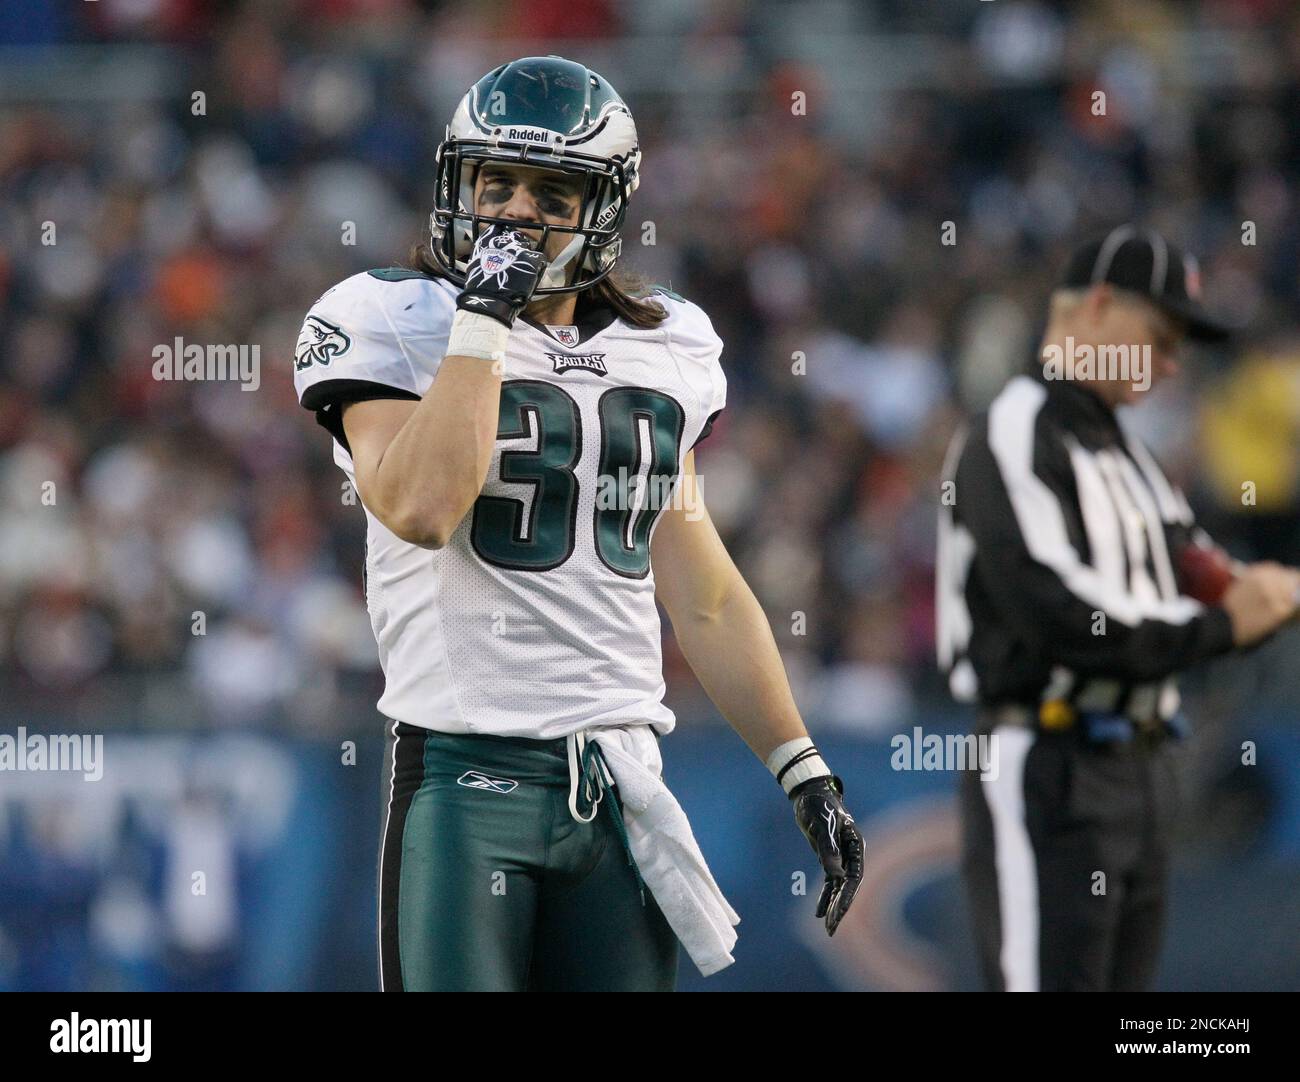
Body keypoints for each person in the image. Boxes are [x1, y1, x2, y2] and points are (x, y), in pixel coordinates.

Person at [292, 55, 864, 992]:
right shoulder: (394, 317)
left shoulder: (665, 343)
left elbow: (705, 592)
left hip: (619, 783)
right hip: (462, 777)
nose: (515, 211)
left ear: (602, 209)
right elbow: (422, 509)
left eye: (550, 191)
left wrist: (801, 767)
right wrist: (486, 319)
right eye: (497, 182)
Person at [936, 226, 1300, 992]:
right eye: (1160, 338)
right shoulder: (1013, 428)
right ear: (1098, 308)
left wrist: (1256, 588)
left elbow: (1190, 559)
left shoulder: (1128, 455)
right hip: (1047, 760)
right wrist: (1228, 621)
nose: (1171, 365)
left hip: (1133, 764)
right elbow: (1065, 614)